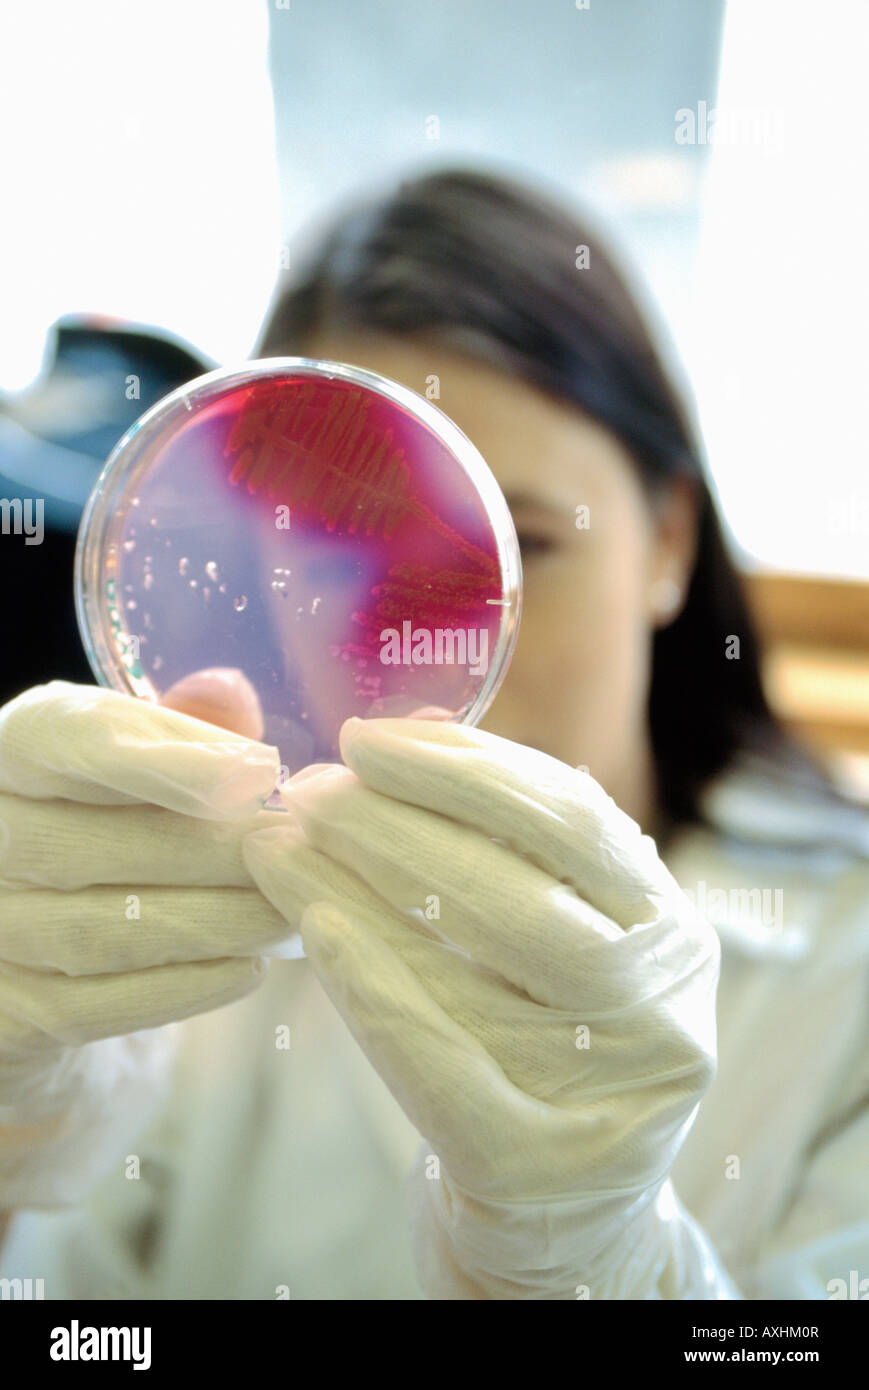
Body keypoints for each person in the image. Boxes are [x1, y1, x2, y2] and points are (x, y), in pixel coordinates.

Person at [1, 168, 867, 1301]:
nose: (419, 638)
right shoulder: (172, 915)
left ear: (664, 541)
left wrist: (600, 1262)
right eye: (342, 554)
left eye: (527, 547)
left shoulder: (845, 977)